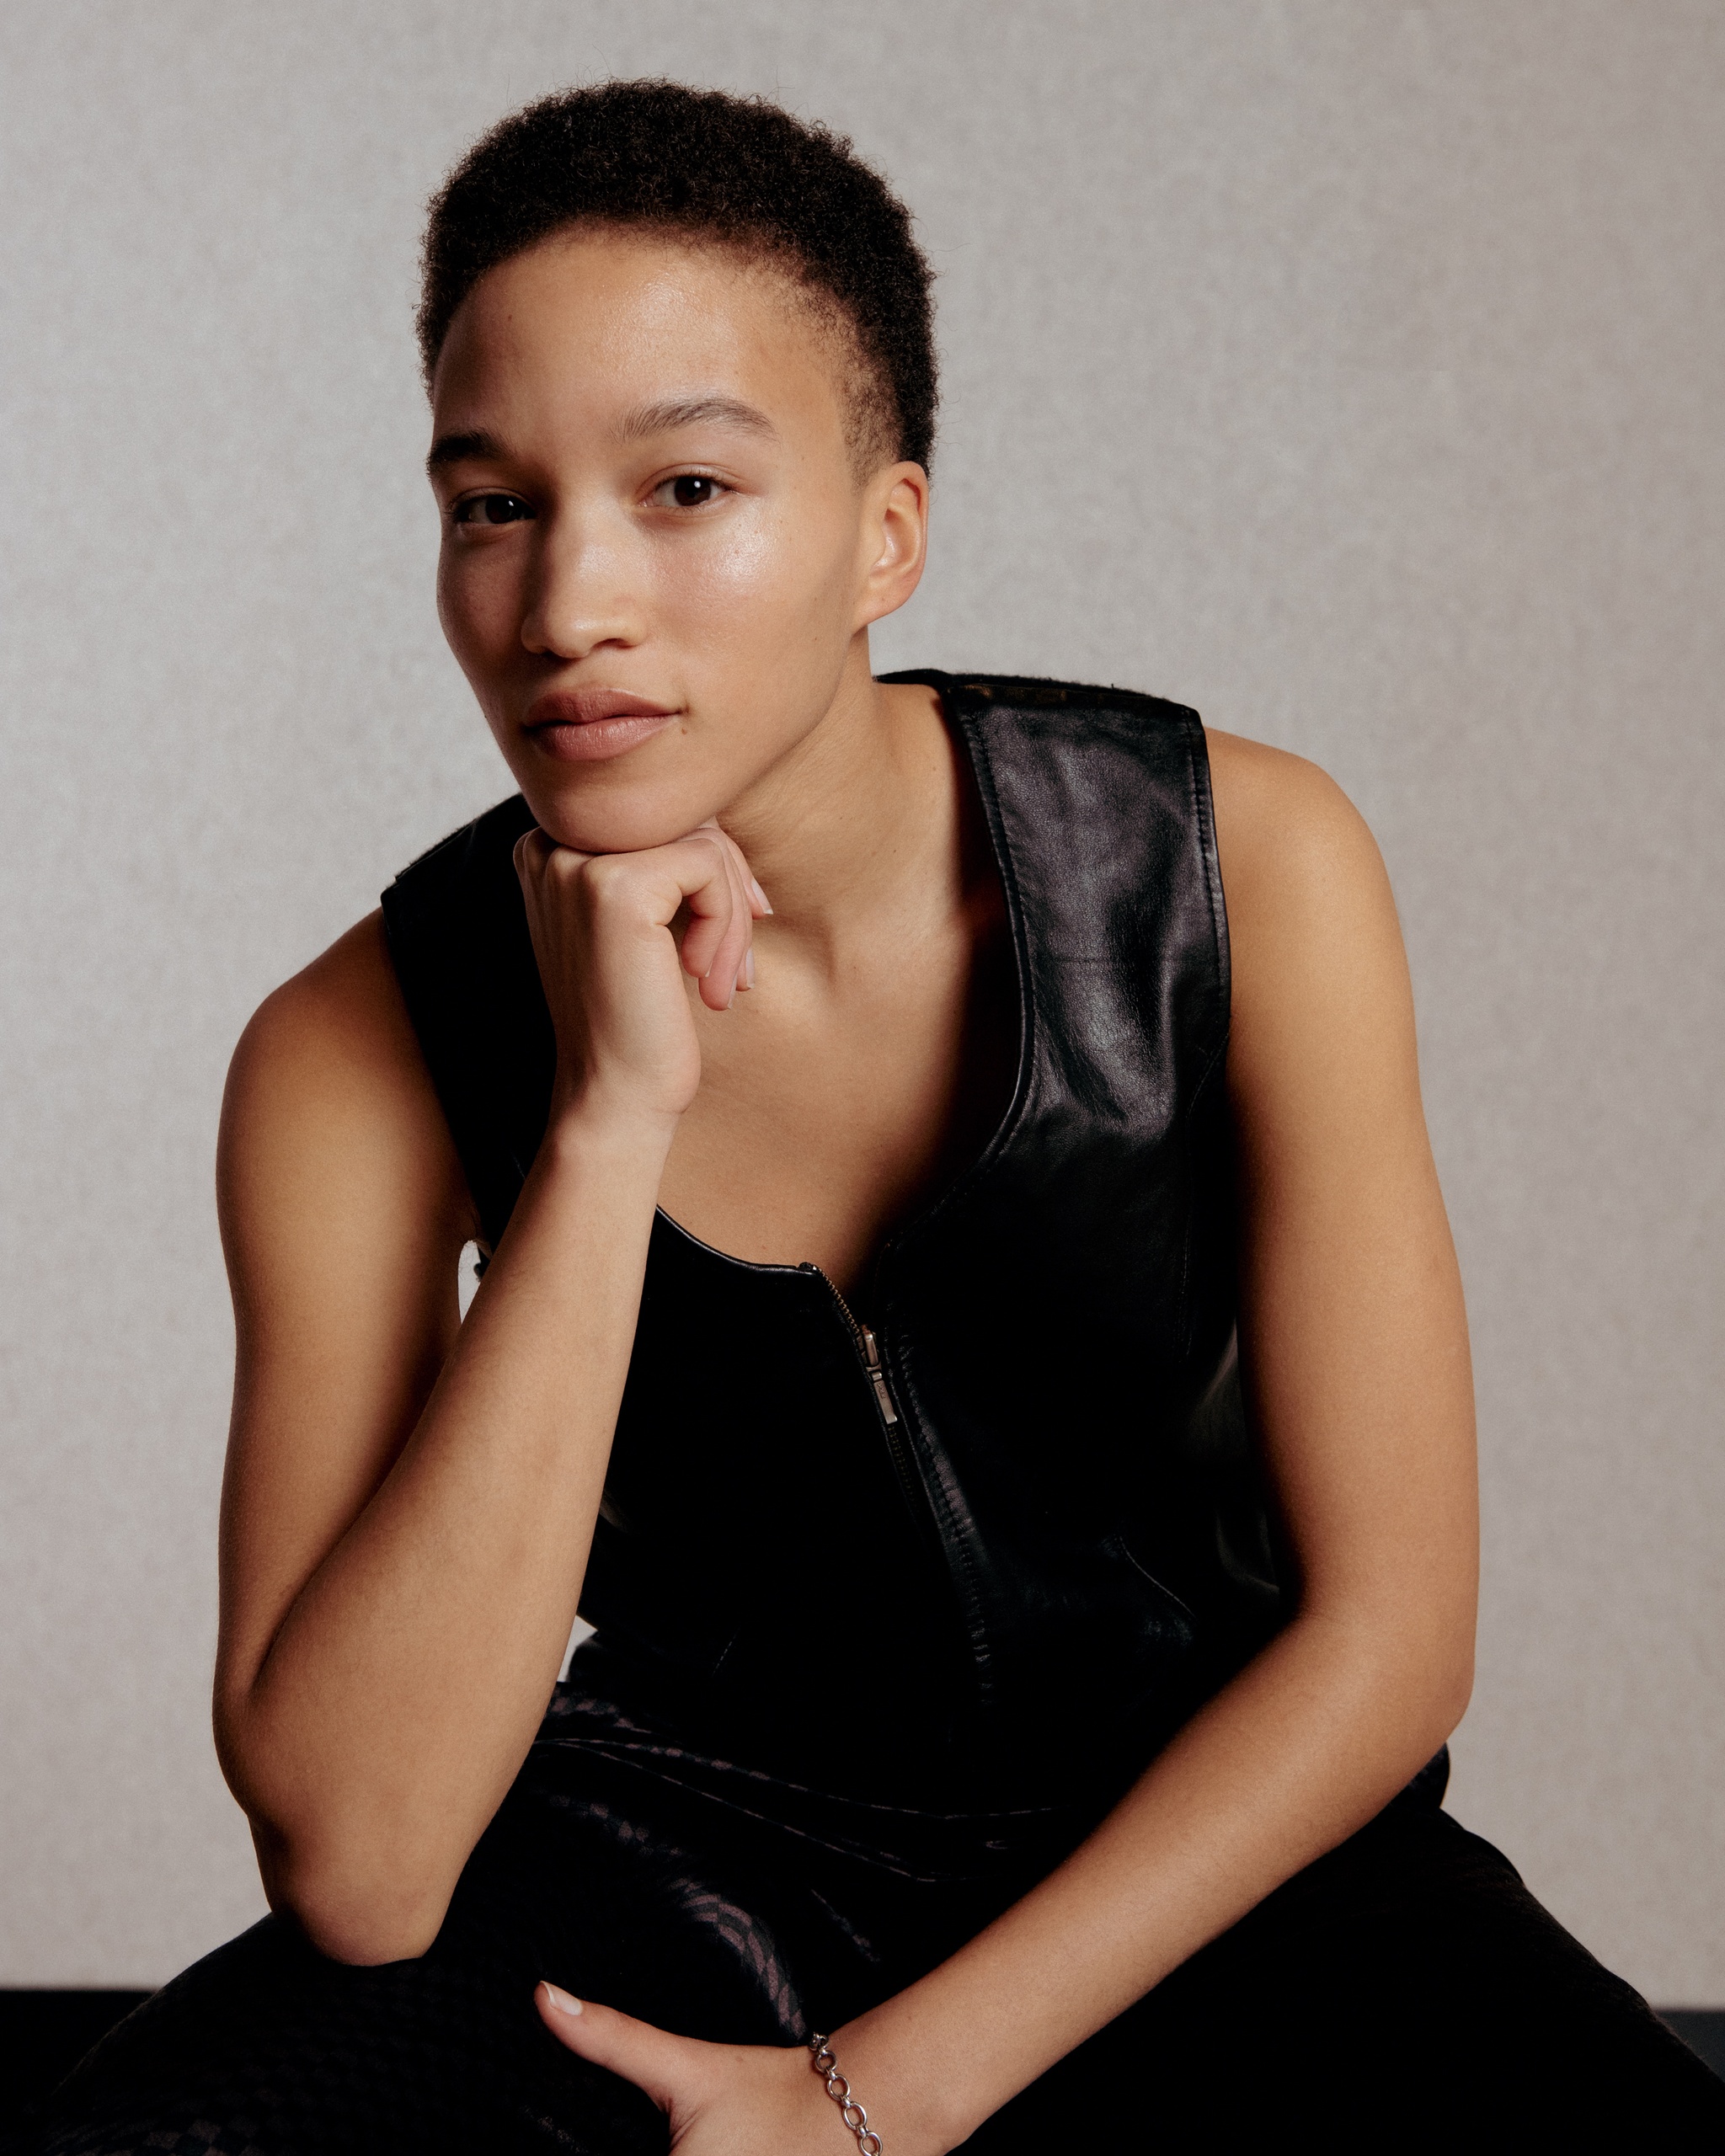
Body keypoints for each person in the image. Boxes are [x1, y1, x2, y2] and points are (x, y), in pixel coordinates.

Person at [13, 78, 1722, 2156]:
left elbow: (1390, 1637)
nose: (567, 604)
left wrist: (876, 2097)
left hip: (1236, 1865)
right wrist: (603, 1122)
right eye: (492, 501)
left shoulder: (1236, 869)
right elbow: (362, 1860)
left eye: (686, 489)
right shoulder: (347, 1050)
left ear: (883, 531)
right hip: (681, 1870)